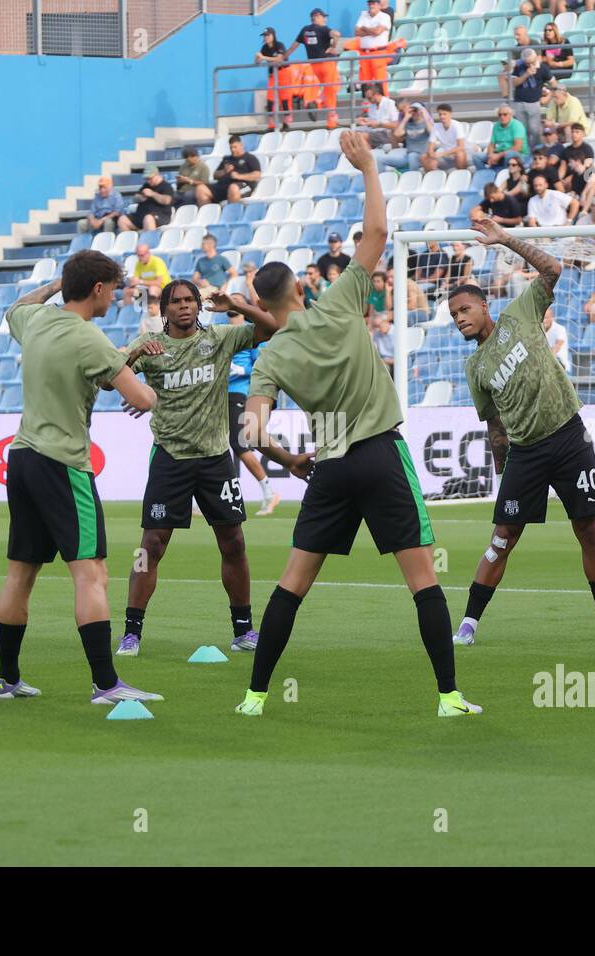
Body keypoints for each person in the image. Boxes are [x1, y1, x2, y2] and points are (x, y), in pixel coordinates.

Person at [233, 130, 481, 719]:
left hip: (331, 464)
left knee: (292, 584)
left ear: (263, 306)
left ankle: (254, 696)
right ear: (299, 288)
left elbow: (250, 426)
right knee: (422, 578)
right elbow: (375, 234)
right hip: (380, 454)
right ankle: (448, 696)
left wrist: (286, 457)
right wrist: (368, 166)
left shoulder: (269, 356)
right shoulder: (342, 300)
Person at [0, 251, 163, 703]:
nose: (117, 295)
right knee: (92, 574)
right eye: (114, 287)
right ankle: (106, 684)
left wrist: (54, 288)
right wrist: (157, 390)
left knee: (19, 574)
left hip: (21, 458)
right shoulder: (90, 338)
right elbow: (139, 398)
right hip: (64, 464)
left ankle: (7, 680)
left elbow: (18, 307)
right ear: (98, 289)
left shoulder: (36, 323)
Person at [450, 220, 595, 648]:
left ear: (483, 306)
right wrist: (503, 470)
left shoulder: (521, 312)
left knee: (587, 529)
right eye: (454, 316)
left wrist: (506, 240)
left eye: (465, 310)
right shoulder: (474, 367)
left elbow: (552, 269)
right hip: (526, 454)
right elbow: (495, 425)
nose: (460, 319)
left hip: (569, 437)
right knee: (502, 539)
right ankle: (468, 624)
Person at [115, 280, 278, 658]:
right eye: (177, 302)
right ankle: (131, 632)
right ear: (164, 309)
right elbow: (108, 379)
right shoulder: (152, 348)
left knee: (233, 542)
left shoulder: (220, 338)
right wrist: (134, 361)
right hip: (169, 458)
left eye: (190, 300)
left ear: (199, 306)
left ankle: (243, 629)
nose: (185, 307)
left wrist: (236, 302)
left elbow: (271, 326)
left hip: (215, 457)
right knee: (150, 547)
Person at [226, 311, 280, 516]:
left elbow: (262, 364)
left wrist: (241, 370)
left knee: (239, 444)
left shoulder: (251, 334)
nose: (231, 315)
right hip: (218, 396)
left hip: (238, 394)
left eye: (235, 311)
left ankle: (269, 492)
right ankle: (213, 496)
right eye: (229, 312)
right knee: (215, 446)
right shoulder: (223, 333)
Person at [284, 7, 341, 129]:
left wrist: (283, 57)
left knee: (328, 89)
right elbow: (336, 34)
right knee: (332, 90)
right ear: (316, 16)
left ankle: (317, 103)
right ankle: (329, 119)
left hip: (314, 65)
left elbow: (293, 46)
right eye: (323, 17)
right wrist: (334, 44)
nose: (325, 19)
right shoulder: (324, 29)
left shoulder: (305, 30)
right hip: (327, 63)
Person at [510, 49, 553, 148]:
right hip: (519, 102)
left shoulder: (543, 68)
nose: (529, 65)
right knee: (522, 130)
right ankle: (526, 152)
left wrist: (548, 96)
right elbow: (514, 83)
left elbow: (554, 83)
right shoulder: (519, 67)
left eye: (531, 62)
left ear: (536, 58)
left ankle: (537, 151)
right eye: (527, 63)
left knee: (535, 130)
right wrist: (526, 74)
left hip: (534, 103)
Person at [118, 164, 174, 233]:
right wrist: (140, 198)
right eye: (146, 179)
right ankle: (132, 241)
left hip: (159, 216)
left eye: (150, 178)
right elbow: (135, 198)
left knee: (148, 218)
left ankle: (149, 242)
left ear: (157, 175)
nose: (148, 181)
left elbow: (167, 201)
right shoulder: (146, 186)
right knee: (122, 220)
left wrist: (153, 194)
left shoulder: (166, 186)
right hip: (140, 216)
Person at [354, 0, 394, 92]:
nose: (372, 5)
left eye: (374, 3)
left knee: (380, 81)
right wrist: (371, 31)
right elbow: (356, 32)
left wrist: (364, 28)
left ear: (379, 5)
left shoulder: (384, 16)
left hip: (378, 52)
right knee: (365, 82)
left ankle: (384, 103)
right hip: (365, 53)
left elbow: (377, 32)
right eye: (370, 3)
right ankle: (366, 105)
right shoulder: (363, 15)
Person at [256, 27, 292, 131]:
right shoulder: (264, 48)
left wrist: (264, 58)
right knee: (270, 99)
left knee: (284, 99)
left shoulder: (279, 45)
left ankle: (286, 123)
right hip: (273, 74)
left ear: (273, 35)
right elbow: (258, 61)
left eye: (268, 35)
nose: (266, 37)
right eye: (264, 36)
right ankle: (271, 124)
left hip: (284, 72)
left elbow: (280, 59)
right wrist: (257, 57)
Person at [213, 134, 262, 203]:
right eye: (231, 148)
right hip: (225, 186)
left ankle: (231, 212)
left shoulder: (250, 158)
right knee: (201, 189)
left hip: (246, 187)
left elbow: (257, 175)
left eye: (235, 147)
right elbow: (215, 175)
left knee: (233, 188)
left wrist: (239, 176)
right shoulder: (226, 159)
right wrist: (224, 171)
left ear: (241, 145)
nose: (233, 150)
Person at [421, 103, 469, 171]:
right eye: (440, 114)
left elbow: (461, 147)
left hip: (458, 155)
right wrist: (432, 154)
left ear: (450, 114)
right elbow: (430, 147)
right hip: (445, 156)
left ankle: (462, 175)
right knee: (424, 157)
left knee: (460, 153)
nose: (442, 116)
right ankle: (434, 175)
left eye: (444, 114)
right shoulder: (436, 127)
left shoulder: (457, 125)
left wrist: (441, 154)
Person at [357, 82, 400, 147]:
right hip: (375, 132)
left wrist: (379, 124)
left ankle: (367, 154)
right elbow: (373, 123)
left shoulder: (390, 103)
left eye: (370, 98)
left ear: (377, 94)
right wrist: (366, 121)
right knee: (352, 134)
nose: (368, 100)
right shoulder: (372, 106)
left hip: (386, 133)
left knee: (361, 136)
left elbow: (396, 125)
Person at [486, 104, 528, 168]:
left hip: (519, 154)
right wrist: (491, 156)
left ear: (511, 115)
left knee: (509, 154)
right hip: (501, 153)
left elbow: (517, 147)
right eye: (500, 115)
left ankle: (505, 172)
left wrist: (498, 156)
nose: (502, 117)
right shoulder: (496, 126)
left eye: (505, 114)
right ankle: (488, 172)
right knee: (477, 157)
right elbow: (491, 145)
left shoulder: (517, 125)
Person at [543, 305, 571, 373]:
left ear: (552, 318)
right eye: (542, 318)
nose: (543, 321)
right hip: (546, 363)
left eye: (546, 318)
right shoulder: (539, 330)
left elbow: (557, 347)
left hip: (559, 363)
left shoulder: (560, 329)